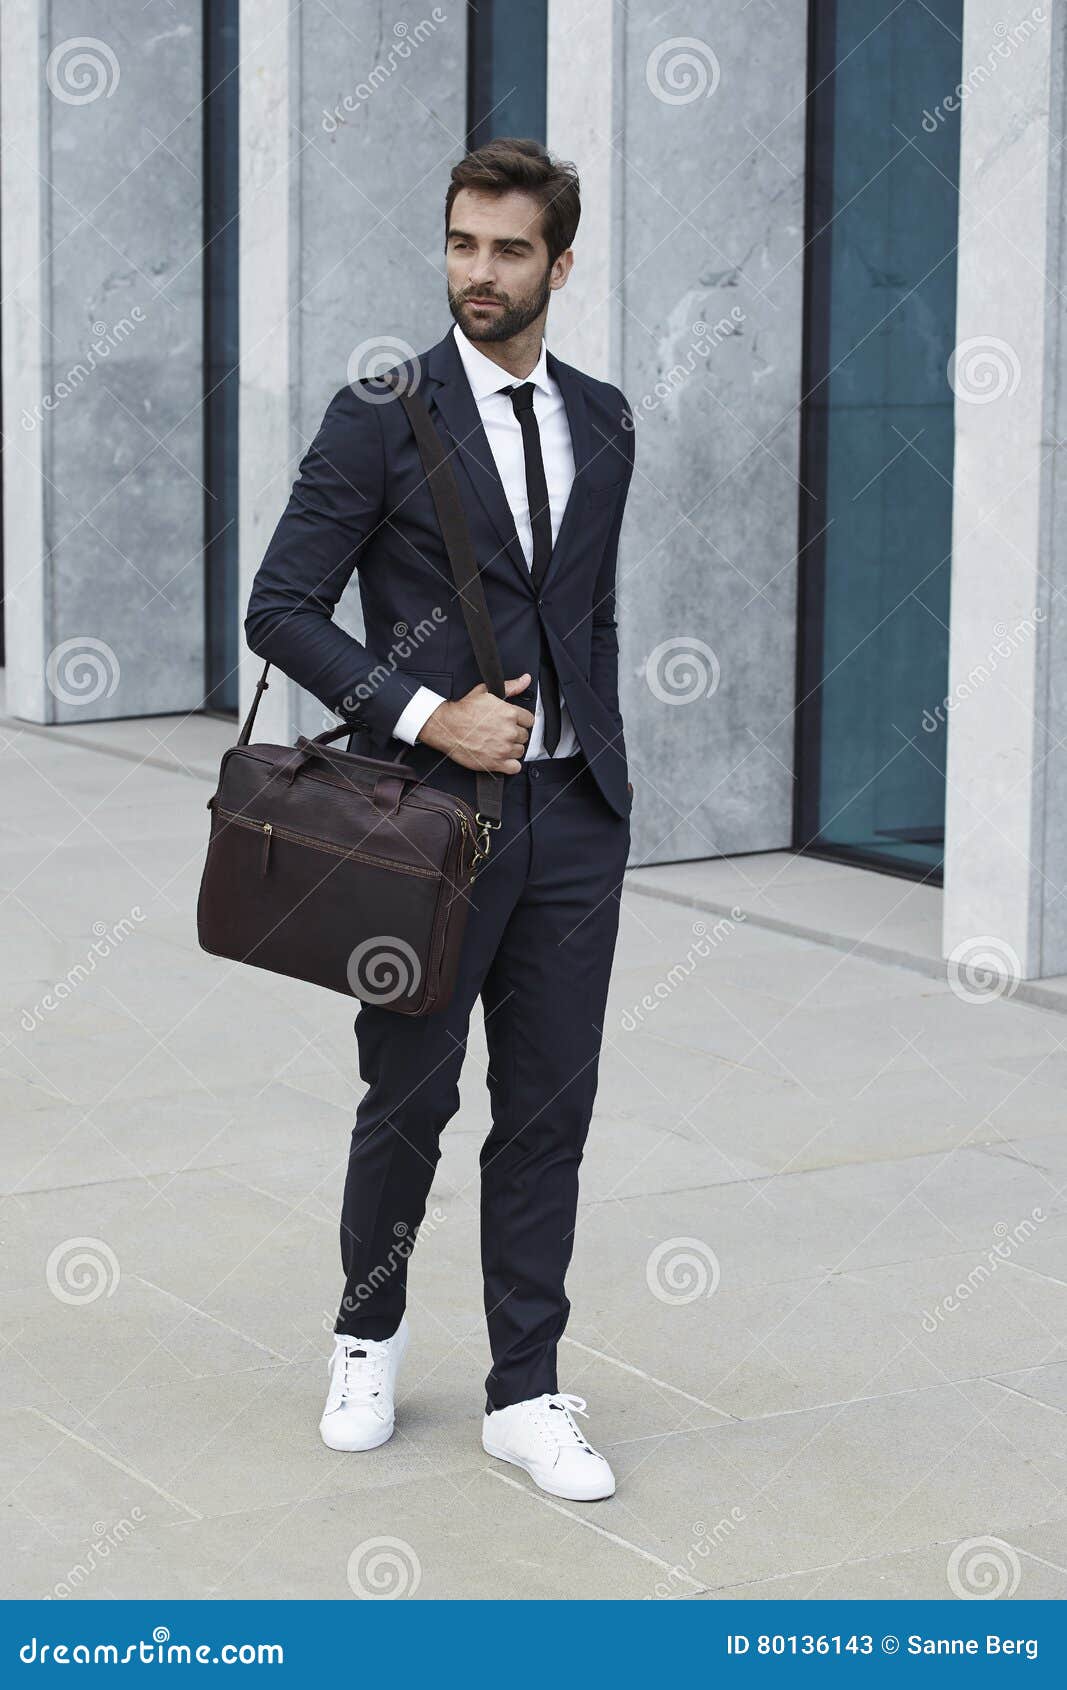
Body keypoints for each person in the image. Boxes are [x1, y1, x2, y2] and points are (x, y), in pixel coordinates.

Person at [245, 136, 635, 1503]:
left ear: (560, 265)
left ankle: (526, 1389)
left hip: (577, 815)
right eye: (462, 244)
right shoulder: (382, 408)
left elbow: (581, 607)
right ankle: (367, 1334)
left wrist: (592, 736)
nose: (479, 271)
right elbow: (279, 607)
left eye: (509, 249)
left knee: (550, 1111)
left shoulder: (606, 414)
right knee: (408, 1094)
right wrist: (426, 713)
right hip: (425, 823)